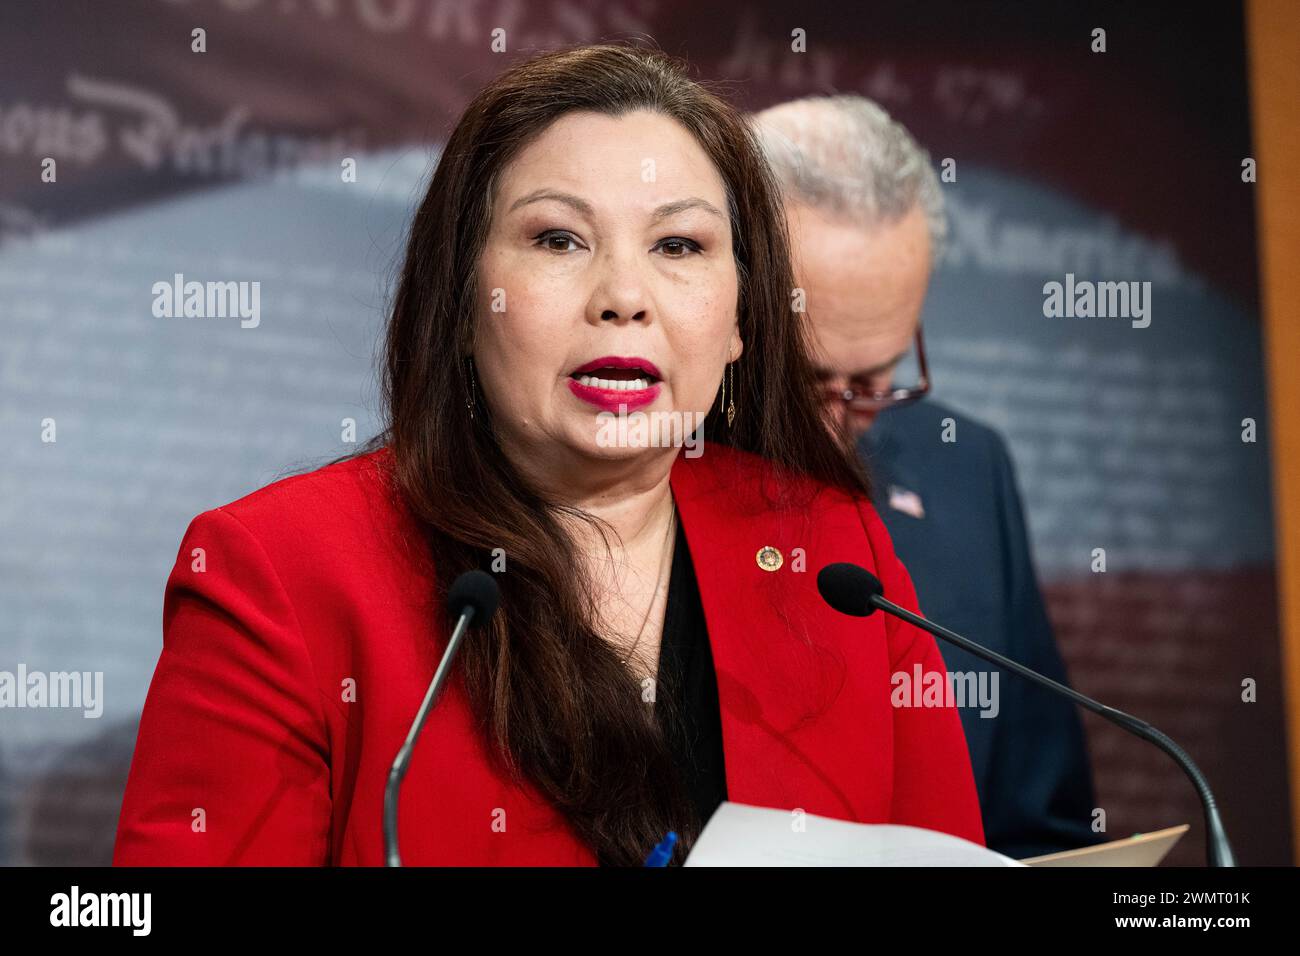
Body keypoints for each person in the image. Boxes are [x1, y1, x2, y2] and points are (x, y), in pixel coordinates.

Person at [113, 45, 982, 867]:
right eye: (558, 240)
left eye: (678, 246)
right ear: (461, 298)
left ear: (742, 322)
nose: (623, 297)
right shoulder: (281, 574)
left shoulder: (836, 556)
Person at [752, 95, 1099, 858]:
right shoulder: (628, 475)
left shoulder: (967, 473)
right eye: (804, 380)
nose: (833, 421)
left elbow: (1037, 824)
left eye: (874, 380)